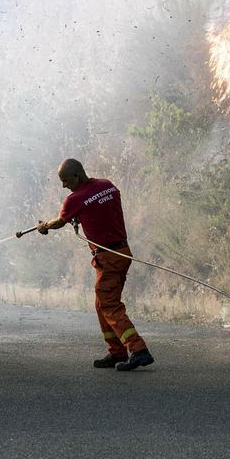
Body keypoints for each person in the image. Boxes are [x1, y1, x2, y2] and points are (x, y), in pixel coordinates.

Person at [36, 158, 154, 371]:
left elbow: (59, 222)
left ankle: (138, 350)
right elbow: (102, 209)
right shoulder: (107, 185)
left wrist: (44, 226)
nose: (64, 186)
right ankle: (116, 352)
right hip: (122, 252)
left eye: (65, 181)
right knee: (102, 303)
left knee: (109, 304)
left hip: (108, 257)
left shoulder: (74, 199)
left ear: (77, 176)